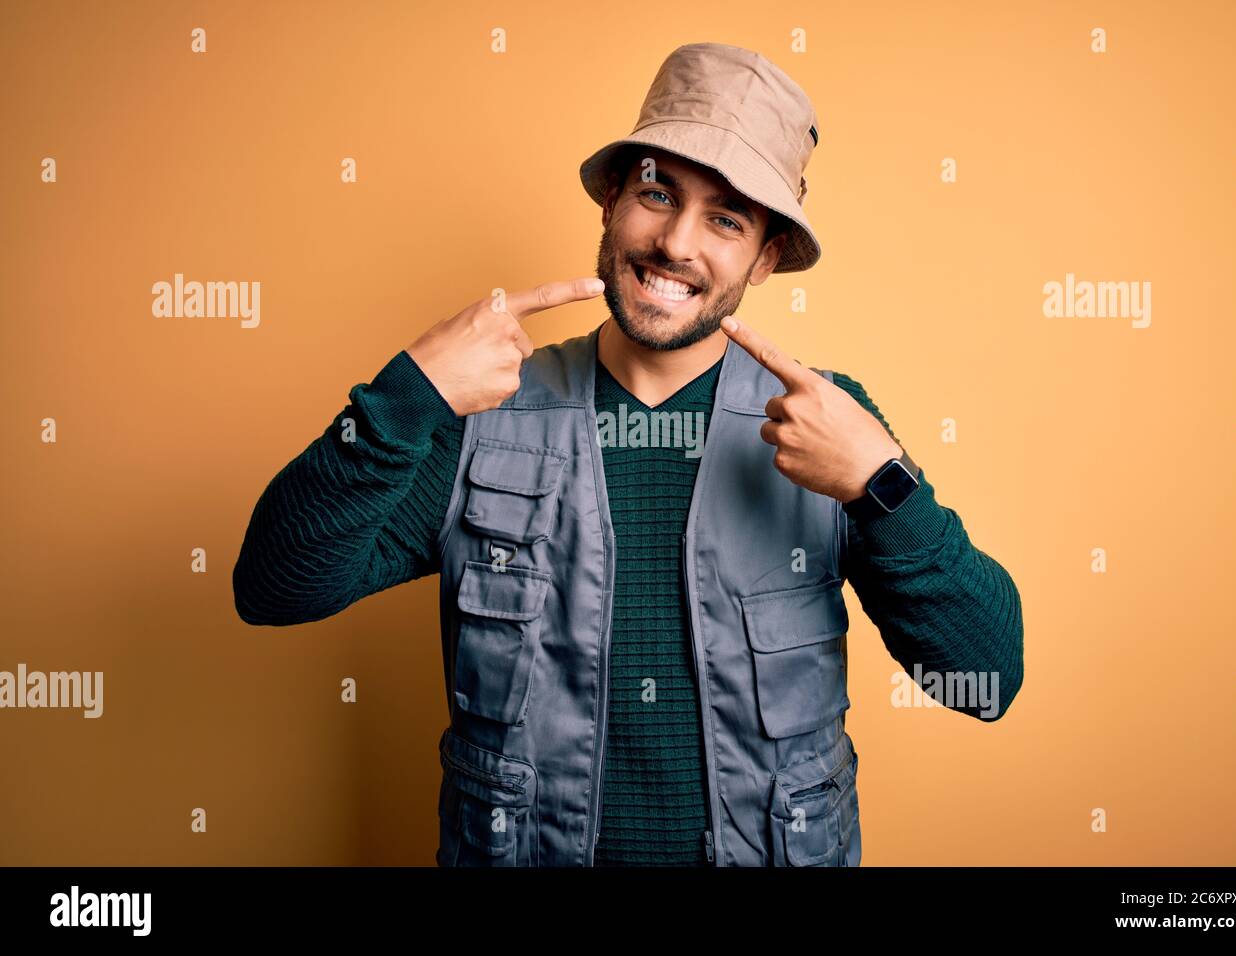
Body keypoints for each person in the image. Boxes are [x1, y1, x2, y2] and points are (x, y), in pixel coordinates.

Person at [233, 42, 1023, 867]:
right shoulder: (481, 418)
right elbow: (275, 589)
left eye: (726, 218)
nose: (676, 242)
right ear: (611, 201)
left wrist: (881, 486)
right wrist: (409, 396)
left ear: (766, 256)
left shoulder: (829, 423)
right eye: (657, 193)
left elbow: (988, 680)